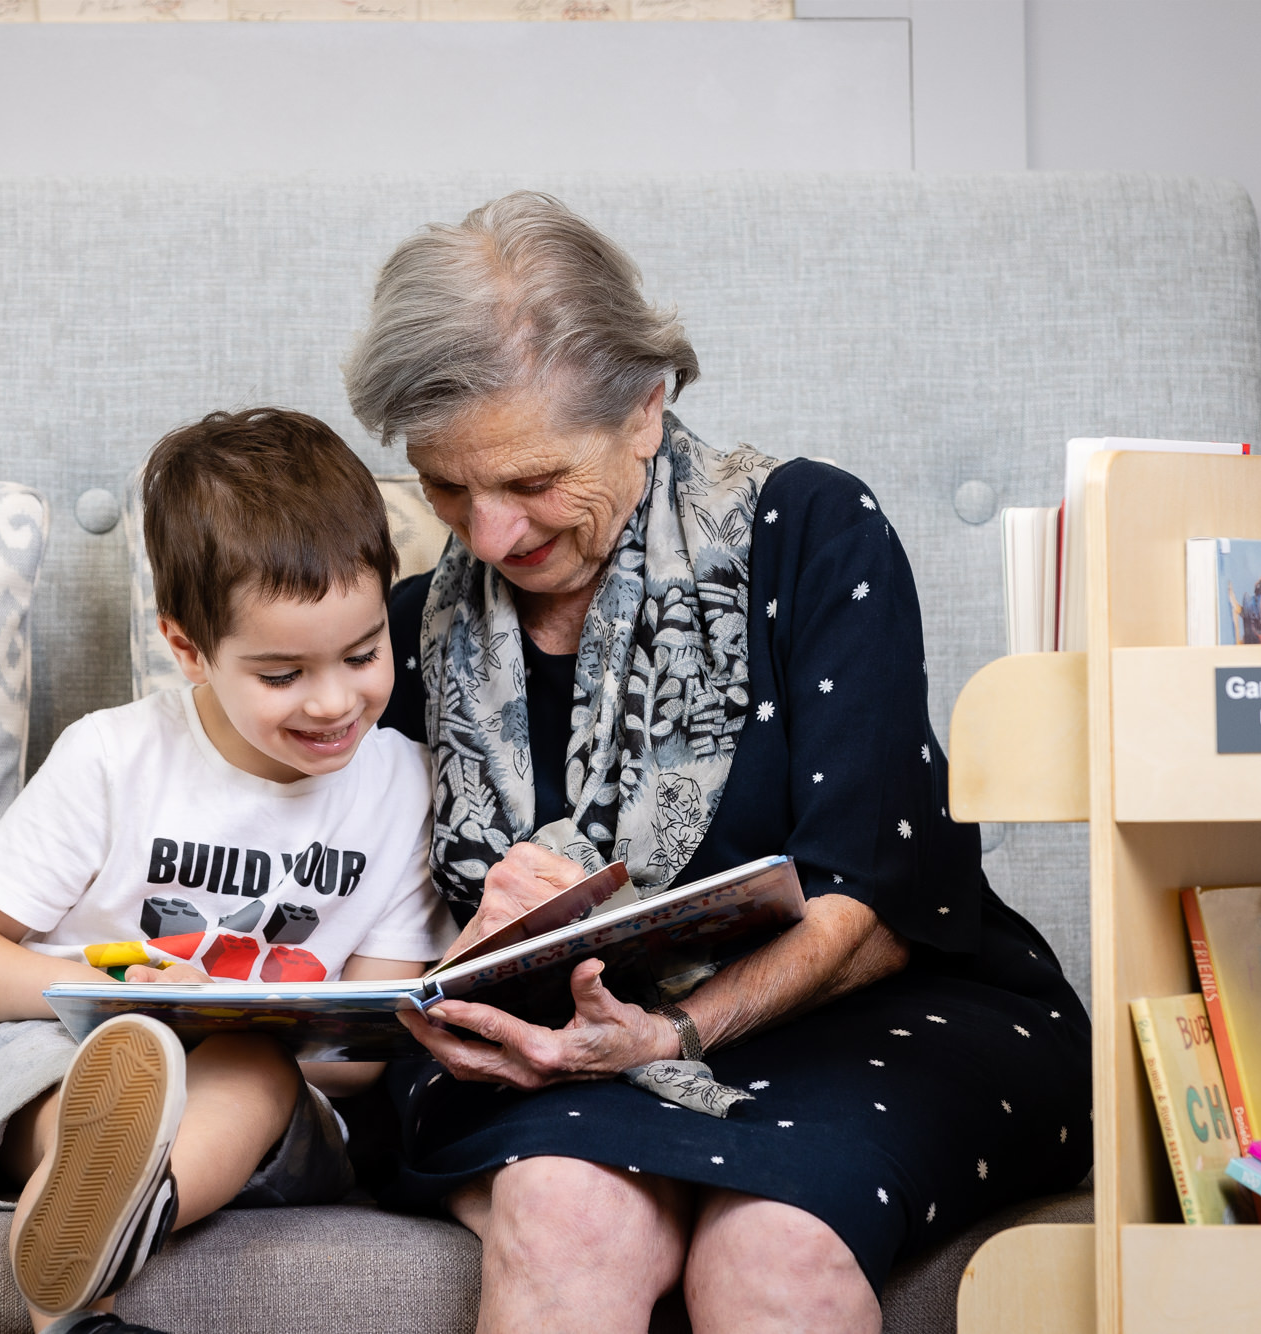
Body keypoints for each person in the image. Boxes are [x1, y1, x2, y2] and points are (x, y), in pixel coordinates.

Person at [346, 193, 1094, 1333]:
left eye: (533, 482)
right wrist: (469, 958)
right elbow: (360, 922)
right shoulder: (406, 634)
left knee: (774, 1248)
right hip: (553, 1047)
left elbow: (872, 896)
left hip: (863, 1010)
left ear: (645, 408)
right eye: (447, 487)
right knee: (565, 1211)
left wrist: (675, 1033)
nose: (491, 536)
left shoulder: (810, 531)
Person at [0, 409, 454, 1334]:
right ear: (188, 649)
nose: (336, 701)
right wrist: (112, 991)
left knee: (252, 1063)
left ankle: (117, 1222)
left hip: (262, 1104)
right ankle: (92, 1228)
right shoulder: (113, 758)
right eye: (282, 675)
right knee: (95, 1084)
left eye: (365, 655)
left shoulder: (404, 787)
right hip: (72, 1056)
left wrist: (253, 1022)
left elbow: (364, 1059)